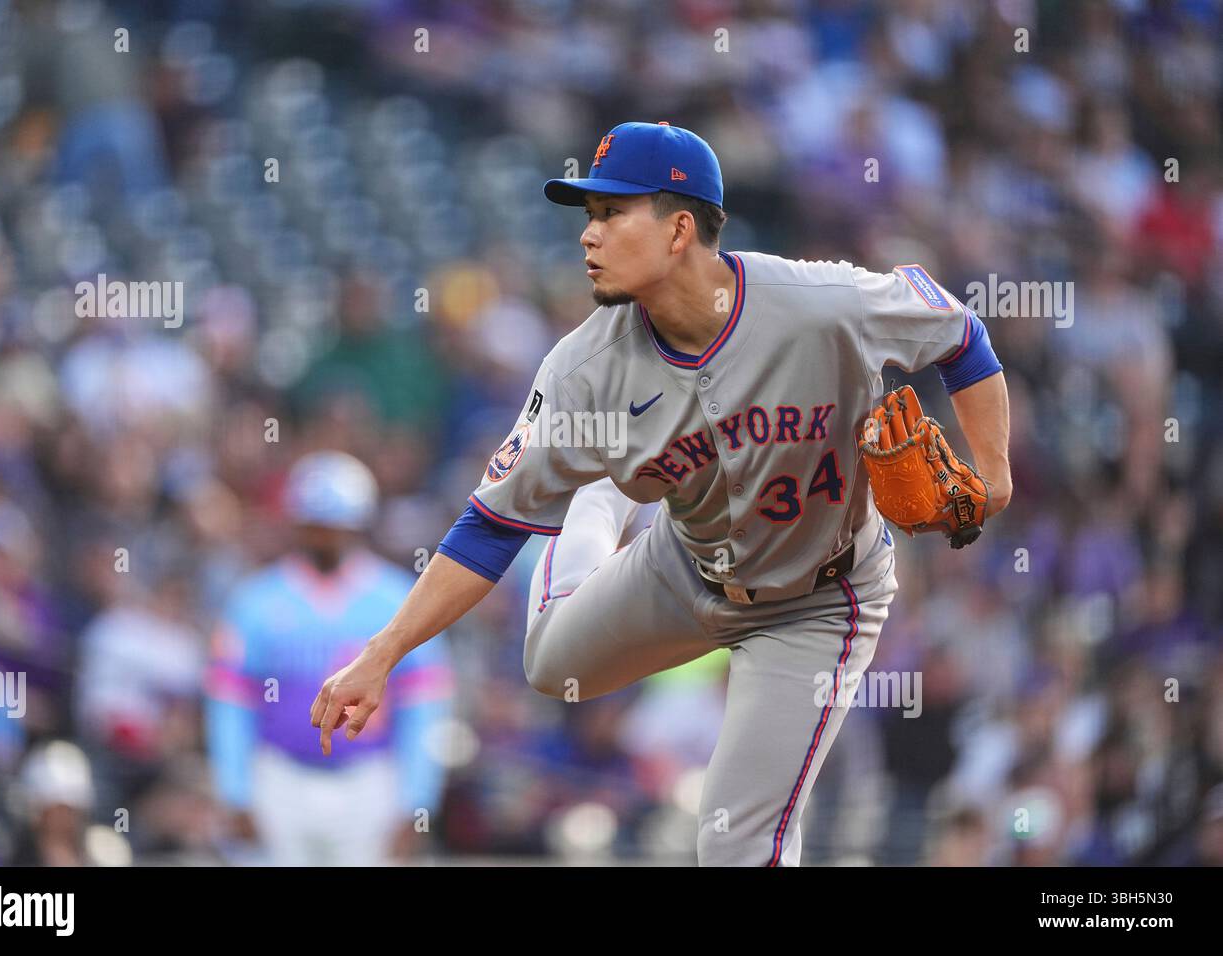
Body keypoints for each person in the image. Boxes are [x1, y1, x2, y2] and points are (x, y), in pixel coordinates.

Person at [312, 122, 1011, 866]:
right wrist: (381, 654)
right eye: (589, 215)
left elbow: (960, 334)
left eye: (612, 213)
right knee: (551, 665)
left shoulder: (820, 305)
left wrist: (994, 478)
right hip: (687, 564)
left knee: (735, 841)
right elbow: (488, 528)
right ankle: (596, 499)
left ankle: (606, 490)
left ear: (681, 228)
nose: (589, 235)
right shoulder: (584, 368)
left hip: (818, 600)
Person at [207, 451, 454, 865]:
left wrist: (416, 800)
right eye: (316, 526)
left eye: (336, 526)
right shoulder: (255, 602)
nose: (326, 537)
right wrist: (235, 792)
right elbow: (229, 704)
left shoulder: (397, 599)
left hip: (370, 780)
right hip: (278, 776)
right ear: (298, 524)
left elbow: (425, 708)